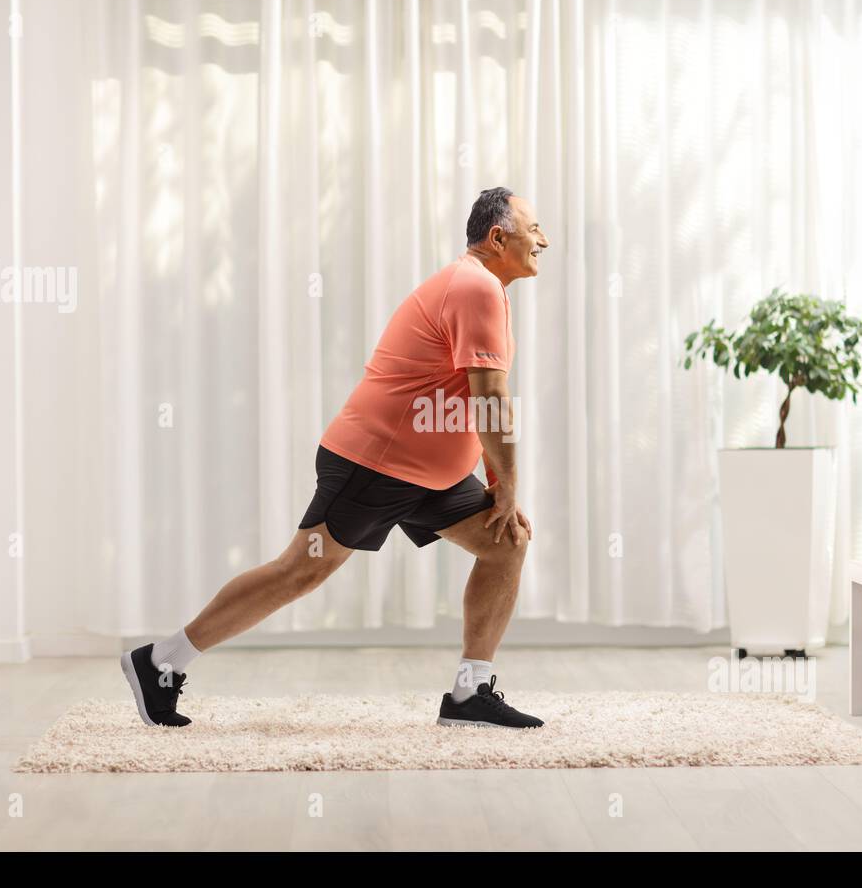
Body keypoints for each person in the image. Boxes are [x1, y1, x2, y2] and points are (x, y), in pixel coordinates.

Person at [121, 186, 549, 729]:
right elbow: (490, 397)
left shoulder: (485, 288)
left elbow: (476, 395)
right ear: (498, 237)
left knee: (505, 541)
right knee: (298, 573)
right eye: (535, 230)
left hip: (430, 472)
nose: (544, 240)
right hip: (377, 462)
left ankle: (469, 695)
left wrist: (498, 485)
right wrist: (509, 484)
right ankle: (159, 662)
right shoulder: (476, 288)